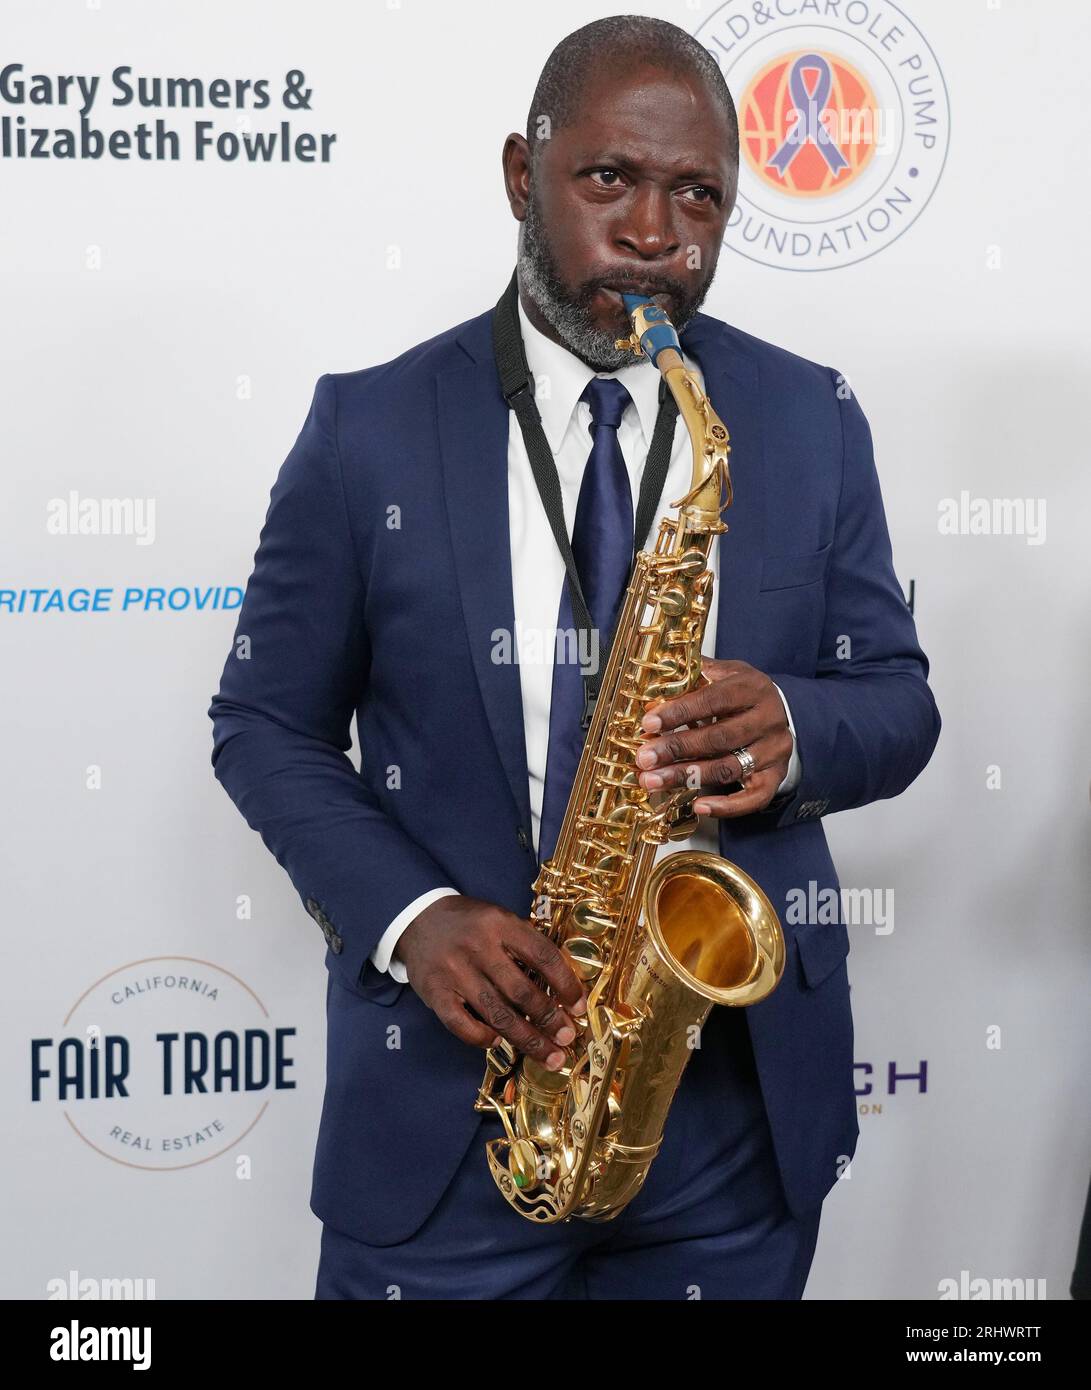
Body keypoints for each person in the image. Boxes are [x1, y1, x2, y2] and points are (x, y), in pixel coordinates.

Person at [208, 14, 940, 1299]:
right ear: (519, 174)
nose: (656, 235)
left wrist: (796, 724)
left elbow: (896, 701)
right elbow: (263, 723)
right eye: (610, 179)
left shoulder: (804, 417)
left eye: (697, 195)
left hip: (729, 1122)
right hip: (454, 1105)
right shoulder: (365, 428)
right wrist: (416, 920)